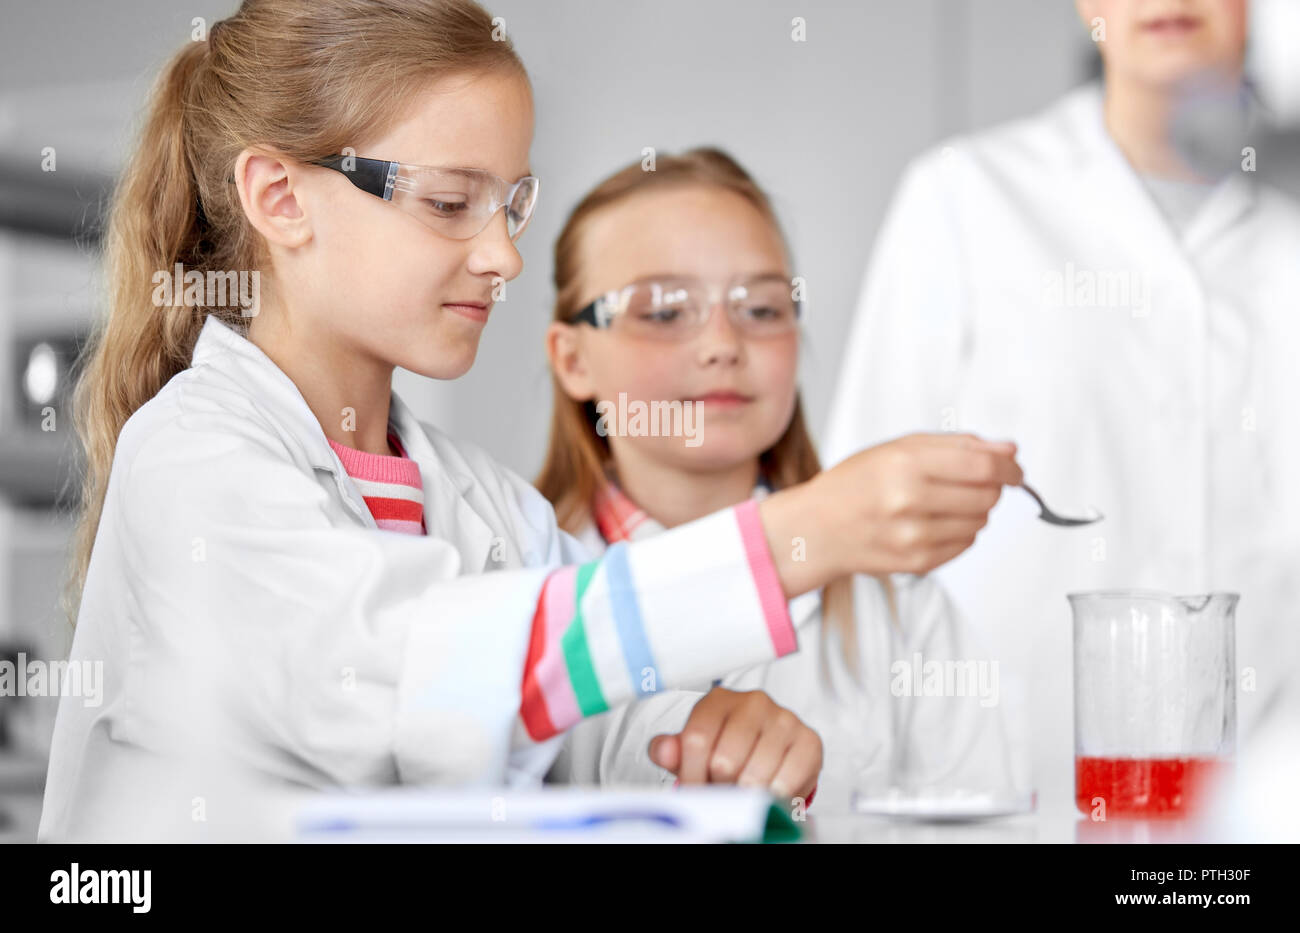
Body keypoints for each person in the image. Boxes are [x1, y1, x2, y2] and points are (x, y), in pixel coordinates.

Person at [39, 0, 1025, 842]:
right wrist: (799, 540)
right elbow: (403, 674)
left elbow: (575, 722)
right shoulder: (194, 461)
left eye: (511, 204)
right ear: (280, 197)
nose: (504, 255)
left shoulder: (485, 507)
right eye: (450, 202)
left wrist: (702, 737)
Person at [823, 0, 1300, 809]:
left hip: (1266, 797)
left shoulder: (1285, 219)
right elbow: (855, 529)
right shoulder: (966, 197)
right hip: (1004, 789)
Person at [537, 148, 1022, 806]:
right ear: (572, 360)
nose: (721, 343)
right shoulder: (517, 584)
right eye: (663, 311)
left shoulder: (903, 612)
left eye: (761, 309)